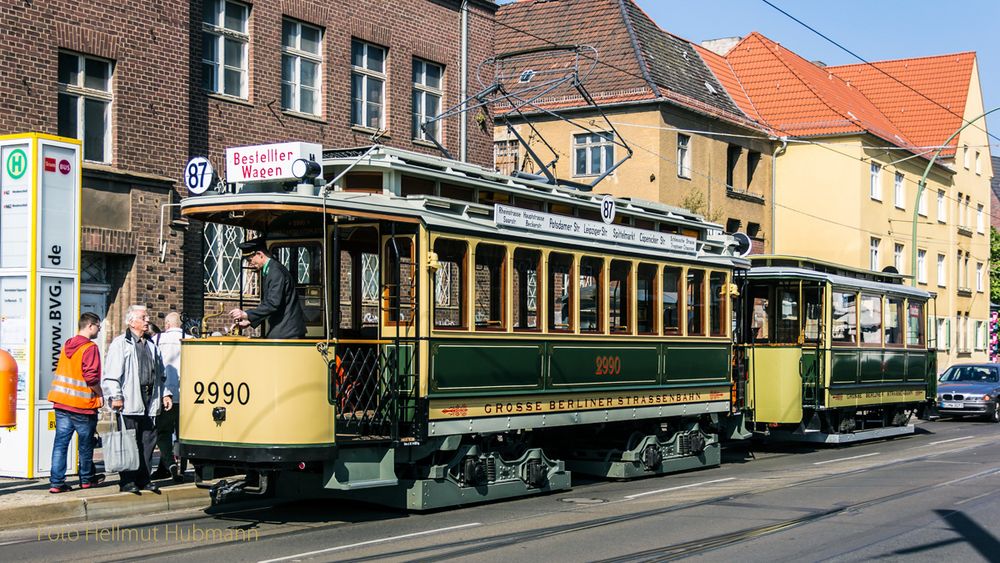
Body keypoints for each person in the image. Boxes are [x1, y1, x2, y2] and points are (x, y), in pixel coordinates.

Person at [102, 305, 172, 494]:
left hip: (150, 397)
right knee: (129, 441)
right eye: (143, 317)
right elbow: (111, 374)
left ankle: (144, 478)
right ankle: (127, 481)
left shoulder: (151, 344)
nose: (147, 319)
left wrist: (165, 393)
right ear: (132, 321)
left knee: (148, 439)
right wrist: (115, 396)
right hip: (129, 397)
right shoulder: (121, 343)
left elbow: (160, 374)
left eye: (147, 316)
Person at [47, 313, 105, 493]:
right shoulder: (90, 348)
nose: (99, 329)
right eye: (98, 326)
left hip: (62, 403)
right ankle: (86, 480)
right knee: (86, 445)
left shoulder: (67, 345)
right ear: (90, 326)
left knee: (60, 444)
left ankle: (56, 483)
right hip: (82, 406)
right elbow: (90, 377)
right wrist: (100, 394)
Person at [229, 237, 306, 339]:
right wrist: (250, 320)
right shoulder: (271, 270)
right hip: (285, 329)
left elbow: (273, 304)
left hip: (287, 332)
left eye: (250, 259)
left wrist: (246, 314)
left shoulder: (275, 272)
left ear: (260, 255)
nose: (249, 263)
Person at [151, 312, 188, 483]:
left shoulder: (157, 340)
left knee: (162, 432)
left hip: (165, 394)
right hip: (187, 395)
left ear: (166, 324)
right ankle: (182, 466)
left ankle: (170, 463)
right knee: (183, 434)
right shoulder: (190, 339)